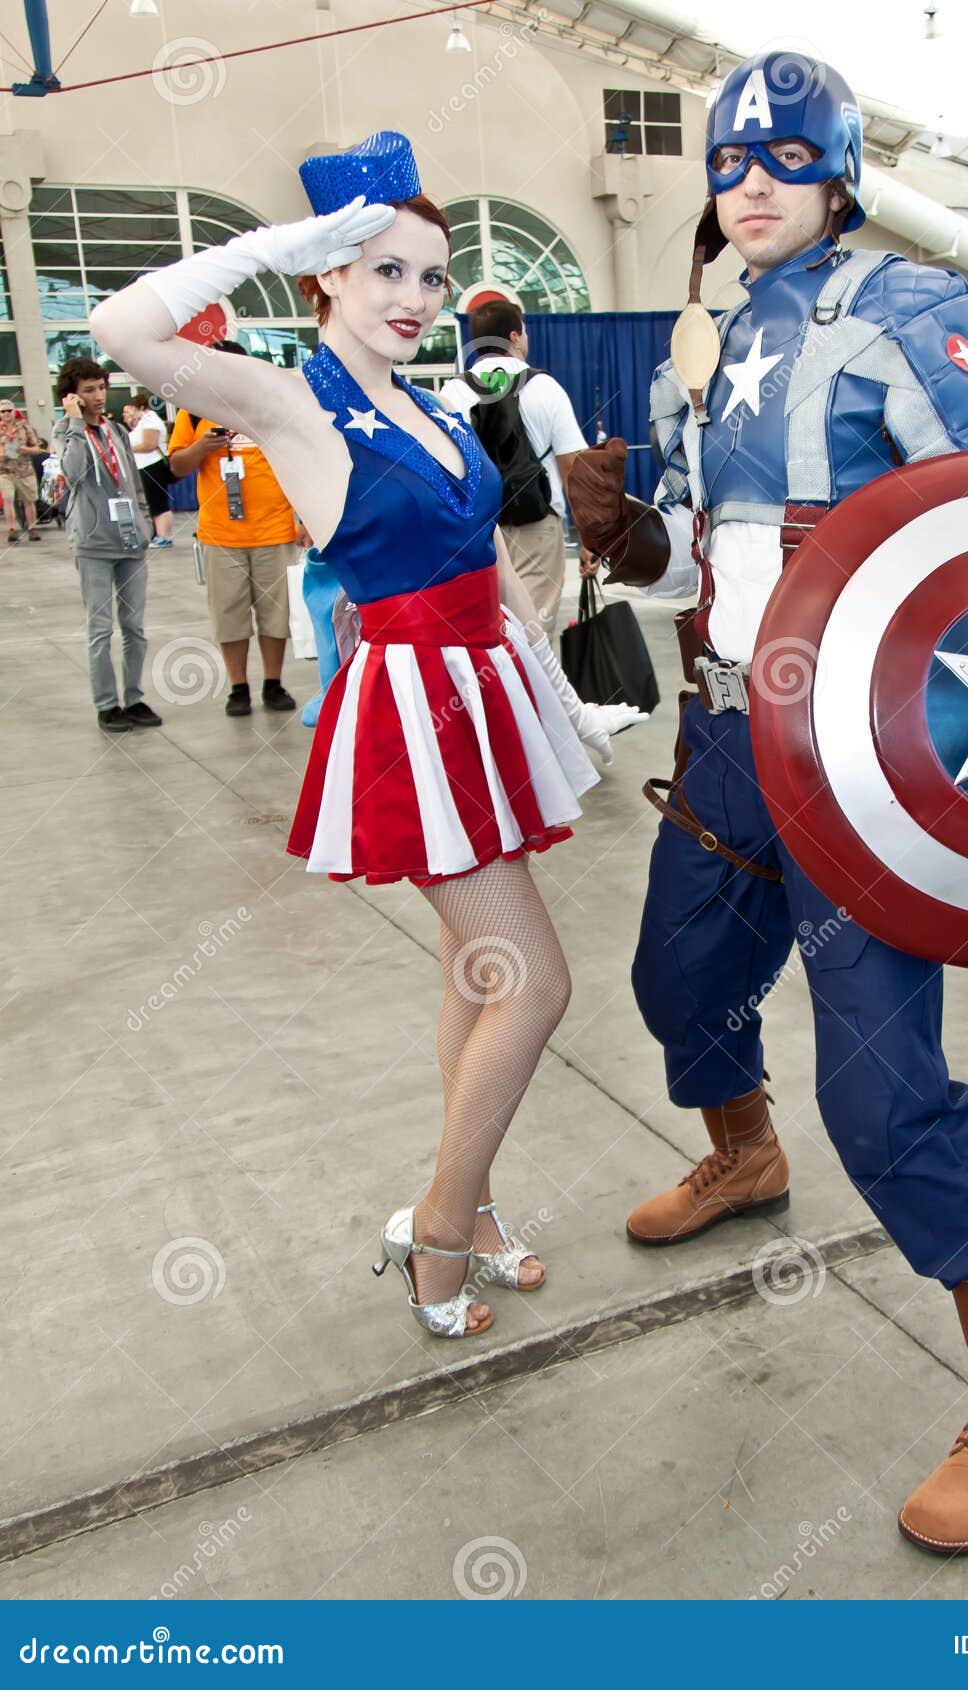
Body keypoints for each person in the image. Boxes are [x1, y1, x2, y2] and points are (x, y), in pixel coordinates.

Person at [565, 51, 968, 1557]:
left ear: (840, 171)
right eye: (732, 163)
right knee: (678, 978)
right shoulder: (699, 349)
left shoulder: (912, 311)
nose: (754, 182)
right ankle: (743, 1147)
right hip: (729, 736)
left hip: (855, 761)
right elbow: (705, 571)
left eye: (787, 157)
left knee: (881, 1090)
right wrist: (632, 536)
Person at [90, 130, 642, 1341]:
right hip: (412, 717)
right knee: (536, 981)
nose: (412, 297)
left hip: (487, 701)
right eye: (381, 268)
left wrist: (538, 655)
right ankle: (437, 1229)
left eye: (430, 276)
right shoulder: (290, 401)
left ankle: (472, 1207)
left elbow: (481, 542)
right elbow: (125, 332)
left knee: (473, 968)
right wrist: (273, 245)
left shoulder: (434, 401)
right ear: (329, 273)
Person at [440, 299, 590, 637]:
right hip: (537, 524)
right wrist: (589, 538)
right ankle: (532, 688)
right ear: (514, 336)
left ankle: (491, 689)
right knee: (533, 631)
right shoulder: (544, 387)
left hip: (476, 531)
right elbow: (575, 470)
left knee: (483, 632)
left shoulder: (452, 394)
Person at [167, 342, 300, 717]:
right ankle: (237, 687)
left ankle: (273, 683)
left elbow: (294, 462)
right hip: (220, 534)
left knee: (276, 613)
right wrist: (202, 447)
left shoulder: (268, 406)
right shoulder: (194, 411)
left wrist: (301, 518)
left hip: (274, 528)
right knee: (229, 615)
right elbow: (177, 466)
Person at [52, 358, 162, 733]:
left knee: (134, 626)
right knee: (100, 628)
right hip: (93, 544)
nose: (98, 396)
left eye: (101, 388)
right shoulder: (68, 431)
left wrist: (145, 522)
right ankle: (106, 703)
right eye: (89, 391)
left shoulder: (116, 430)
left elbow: (132, 480)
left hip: (130, 541)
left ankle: (133, 697)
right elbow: (74, 472)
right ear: (72, 397)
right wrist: (76, 424)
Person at [122, 391, 174, 548]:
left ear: (139, 408)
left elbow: (149, 444)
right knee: (152, 502)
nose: (126, 415)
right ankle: (158, 533)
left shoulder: (150, 420)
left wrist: (127, 449)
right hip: (145, 466)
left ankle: (164, 535)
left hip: (154, 466)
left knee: (158, 502)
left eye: (128, 410)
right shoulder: (143, 422)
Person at [0, 395, 45, 543]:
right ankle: (12, 529)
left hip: (25, 470)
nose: (6, 413)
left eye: (9, 410)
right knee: (8, 499)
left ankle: (32, 528)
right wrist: (3, 454)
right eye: (3, 411)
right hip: (5, 471)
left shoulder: (25, 427)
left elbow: (38, 448)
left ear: (14, 411)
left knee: (29, 500)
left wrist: (26, 449)